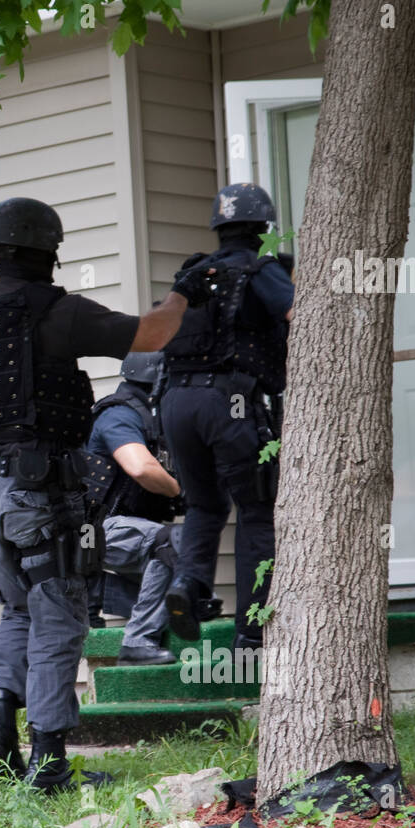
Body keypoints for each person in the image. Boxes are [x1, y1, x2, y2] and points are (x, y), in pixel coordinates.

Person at [0, 197, 216, 793]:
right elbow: (152, 334)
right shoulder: (58, 311)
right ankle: (49, 761)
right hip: (36, 489)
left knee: (18, 608)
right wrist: (183, 292)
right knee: (60, 616)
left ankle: (0, 724)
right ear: (49, 254)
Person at [160, 183, 294, 653]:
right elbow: (298, 312)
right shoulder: (262, 268)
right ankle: (251, 633)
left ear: (218, 226)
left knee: (204, 505)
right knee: (257, 510)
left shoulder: (192, 274)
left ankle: (189, 585)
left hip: (175, 404)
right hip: (229, 401)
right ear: (262, 227)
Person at [83, 351, 183, 666]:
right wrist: (181, 491)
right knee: (170, 542)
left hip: (116, 532)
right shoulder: (120, 414)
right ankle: (138, 641)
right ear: (156, 379)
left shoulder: (153, 419)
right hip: (91, 531)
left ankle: (92, 593)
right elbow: (140, 468)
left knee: (185, 598)